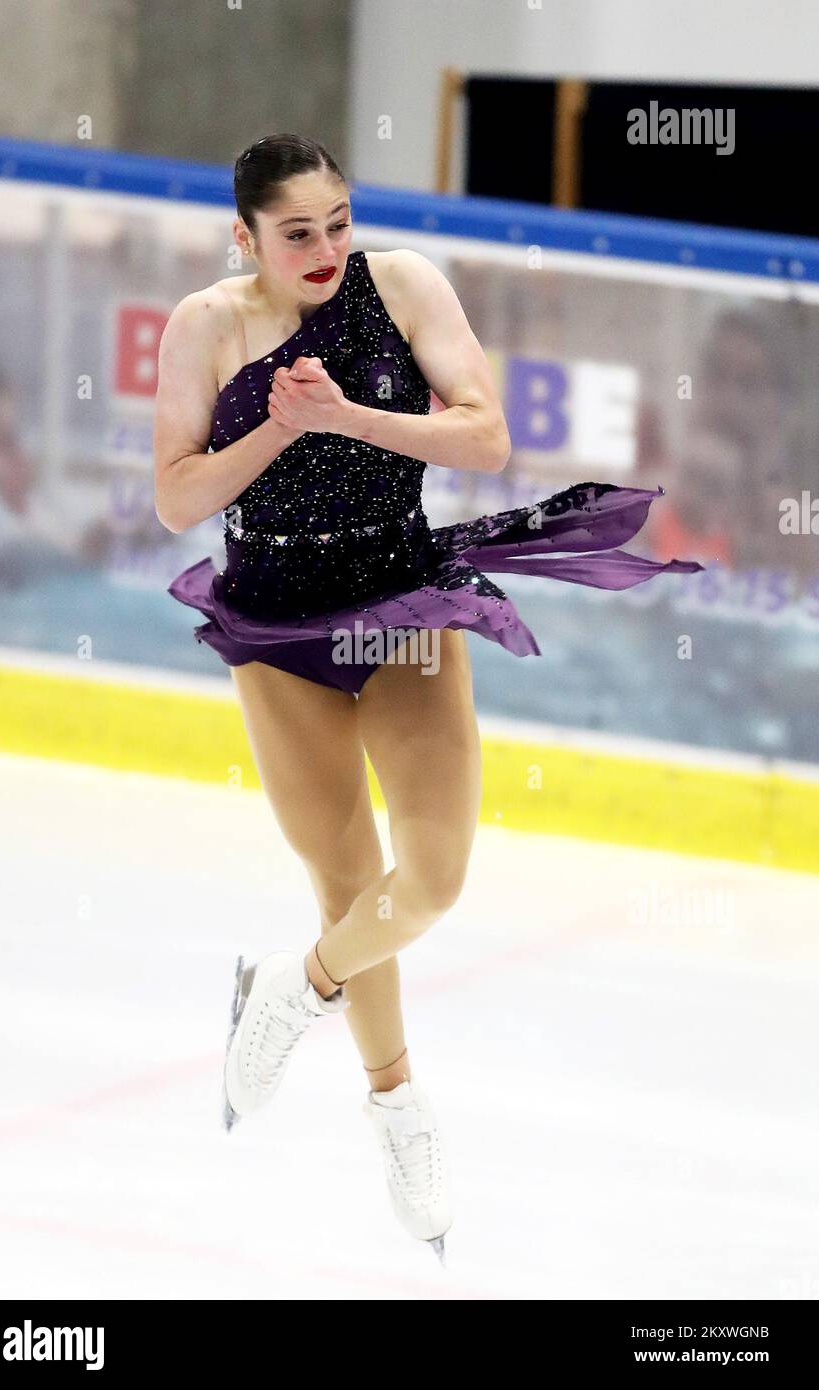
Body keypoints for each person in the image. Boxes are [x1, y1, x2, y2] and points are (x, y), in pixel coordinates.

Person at [153, 133, 704, 1263]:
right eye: (295, 232)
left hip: (398, 597)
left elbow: (486, 435)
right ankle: (398, 1107)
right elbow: (174, 497)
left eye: (336, 222)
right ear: (244, 238)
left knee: (434, 880)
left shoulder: (402, 286)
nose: (322, 249)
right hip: (275, 617)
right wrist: (277, 424)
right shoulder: (204, 325)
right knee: (349, 877)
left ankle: (291, 987)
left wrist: (348, 415)